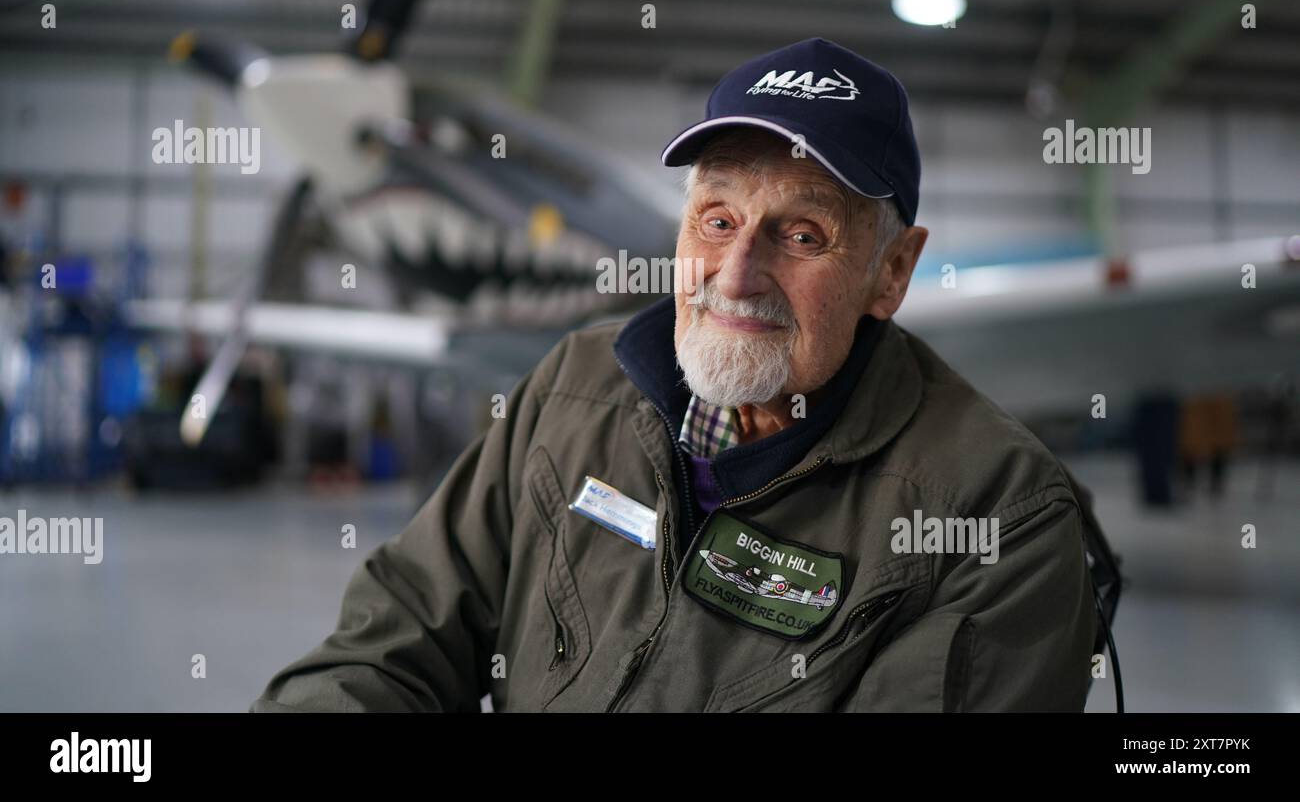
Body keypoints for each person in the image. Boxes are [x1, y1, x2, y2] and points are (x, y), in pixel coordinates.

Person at [253, 37, 1098, 712]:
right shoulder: (571, 389)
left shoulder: (1001, 514)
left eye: (802, 235)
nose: (735, 274)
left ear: (892, 272)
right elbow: (391, 642)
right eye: (717, 218)